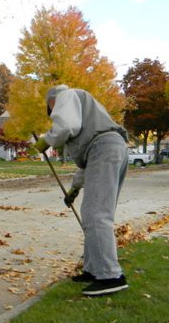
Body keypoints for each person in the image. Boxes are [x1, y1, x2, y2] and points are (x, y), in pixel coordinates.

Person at [33, 84, 129, 296]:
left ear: (51, 103)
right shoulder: (85, 110)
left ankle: (111, 276)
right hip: (110, 149)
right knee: (94, 214)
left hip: (105, 149)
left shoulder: (65, 95)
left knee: (95, 215)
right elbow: (86, 166)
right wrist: (74, 190)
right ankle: (93, 269)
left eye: (52, 111)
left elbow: (66, 126)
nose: (53, 114)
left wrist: (47, 140)